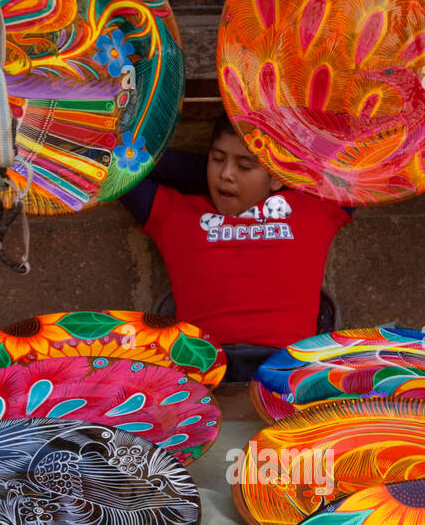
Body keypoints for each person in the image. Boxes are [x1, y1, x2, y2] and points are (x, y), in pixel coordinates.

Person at [120, 113, 352, 380]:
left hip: (288, 369)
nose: (226, 175)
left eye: (245, 166)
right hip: (205, 371)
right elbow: (123, 163)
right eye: (217, 159)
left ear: (277, 177)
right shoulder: (174, 213)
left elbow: (360, 165)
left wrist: (280, 169)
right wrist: (205, 172)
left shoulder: (315, 210)